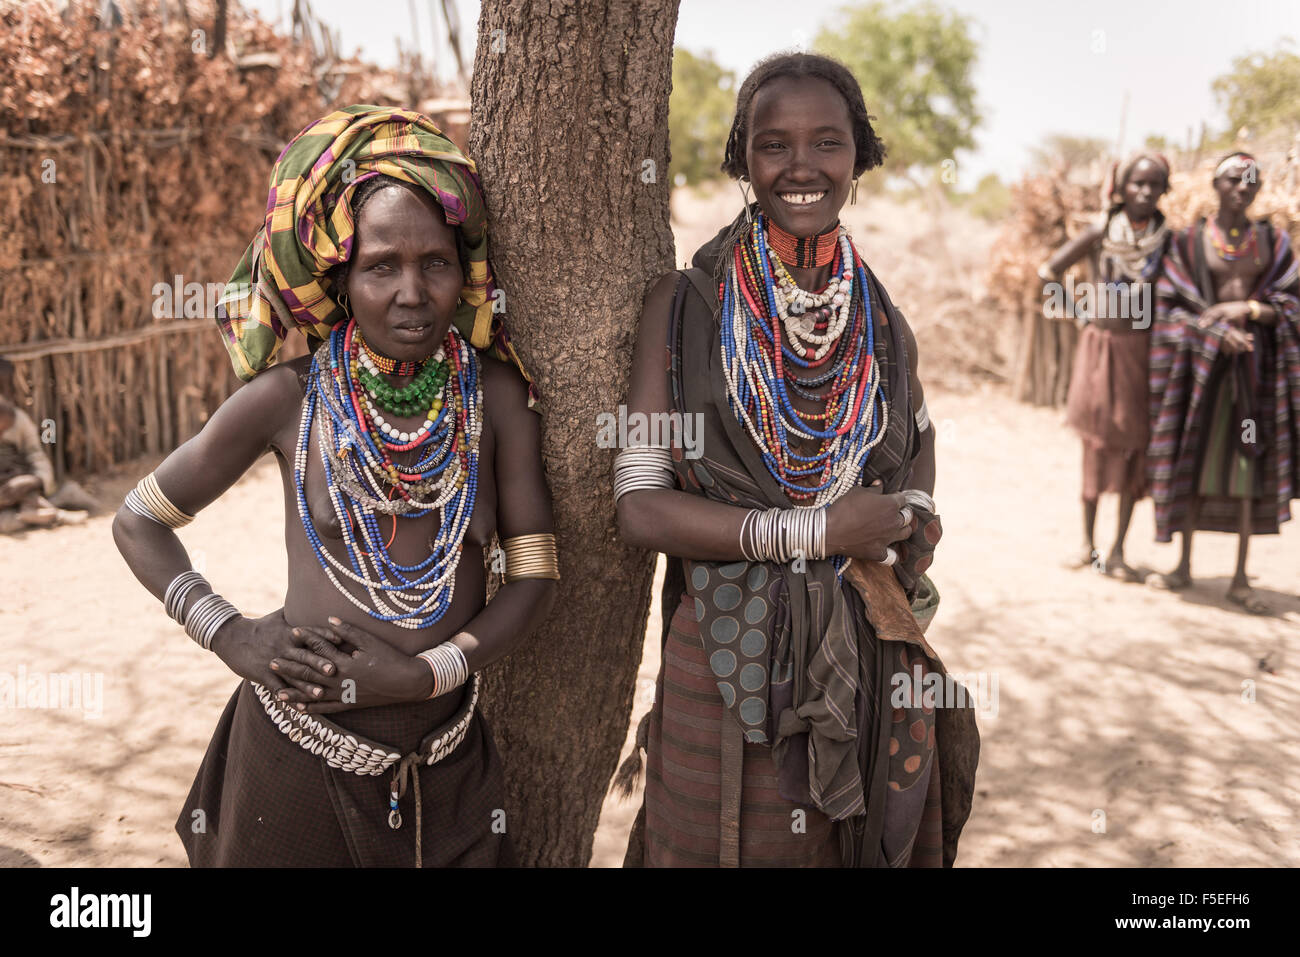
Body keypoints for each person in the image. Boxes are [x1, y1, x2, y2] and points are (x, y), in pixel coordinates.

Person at [112, 106, 557, 866]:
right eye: (382, 265)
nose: (412, 292)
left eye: (436, 263)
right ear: (342, 279)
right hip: (294, 756)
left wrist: (424, 674)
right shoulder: (288, 400)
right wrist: (231, 633)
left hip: (447, 763)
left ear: (464, 271)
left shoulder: (496, 400)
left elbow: (536, 574)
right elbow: (137, 521)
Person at [614, 53, 978, 868]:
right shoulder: (681, 307)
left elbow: (912, 481)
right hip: (719, 650)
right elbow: (640, 506)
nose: (803, 167)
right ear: (742, 157)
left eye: (828, 143)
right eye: (774, 145)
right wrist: (817, 530)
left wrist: (891, 527)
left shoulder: (884, 325)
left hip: (859, 644)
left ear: (860, 156)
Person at [1148, 152, 1300, 614]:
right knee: (1192, 461)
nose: (1243, 186)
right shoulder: (1188, 242)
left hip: (1255, 372)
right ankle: (1183, 565)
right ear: (1216, 184)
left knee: (1248, 468)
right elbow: (1169, 308)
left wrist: (1246, 312)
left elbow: (1292, 305)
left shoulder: (1273, 242)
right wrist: (1213, 332)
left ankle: (1239, 578)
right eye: (1234, 178)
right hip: (1200, 374)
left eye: (1251, 180)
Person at [1041, 152, 1172, 580]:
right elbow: (1049, 271)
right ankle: (1088, 546)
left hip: (1144, 352)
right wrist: (1081, 314)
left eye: (1154, 184)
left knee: (1135, 446)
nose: (1145, 191)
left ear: (1164, 190)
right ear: (1122, 187)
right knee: (1095, 444)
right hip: (1101, 350)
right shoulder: (1100, 231)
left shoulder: (1168, 240)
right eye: (1137, 183)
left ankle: (1117, 551)